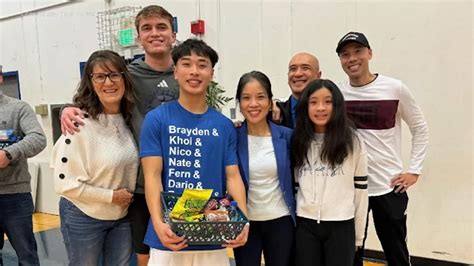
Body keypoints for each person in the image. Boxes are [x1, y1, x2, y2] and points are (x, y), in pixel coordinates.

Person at [59, 5, 179, 265]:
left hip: (181, 183)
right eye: (147, 28)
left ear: (174, 34)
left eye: (161, 27)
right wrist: (68, 110)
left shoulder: (187, 73)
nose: (155, 33)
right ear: (138, 37)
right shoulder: (128, 75)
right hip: (138, 189)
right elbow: (98, 92)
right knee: (142, 258)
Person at [140, 38, 249, 266]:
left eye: (202, 65)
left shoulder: (223, 125)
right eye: (186, 64)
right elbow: (152, 176)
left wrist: (243, 221)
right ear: (175, 71)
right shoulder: (156, 119)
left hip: (213, 235)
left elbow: (233, 176)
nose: (194, 71)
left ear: (211, 74)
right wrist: (159, 223)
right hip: (169, 236)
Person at [335, 31, 429, 266]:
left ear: (370, 53)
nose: (352, 58)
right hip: (352, 188)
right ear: (340, 61)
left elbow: (420, 128)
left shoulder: (395, 88)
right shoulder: (337, 94)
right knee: (351, 253)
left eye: (358, 51)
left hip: (389, 187)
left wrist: (414, 171)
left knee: (396, 252)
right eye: (345, 54)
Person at [51, 50, 139, 265]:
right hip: (83, 215)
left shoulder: (130, 120)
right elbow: (64, 184)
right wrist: (111, 196)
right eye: (100, 76)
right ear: (90, 82)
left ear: (124, 78)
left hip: (121, 216)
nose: (108, 82)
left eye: (114, 74)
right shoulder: (79, 125)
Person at [292, 79, 368, 266]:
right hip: (306, 224)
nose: (320, 108)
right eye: (314, 102)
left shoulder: (353, 141)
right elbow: (295, 186)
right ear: (305, 106)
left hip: (341, 225)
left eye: (328, 102)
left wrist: (359, 236)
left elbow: (361, 191)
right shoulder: (299, 140)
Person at [233, 71, 295, 266]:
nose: (253, 104)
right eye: (246, 98)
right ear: (239, 103)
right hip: (245, 222)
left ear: (270, 102)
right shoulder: (232, 137)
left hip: (280, 220)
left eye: (260, 97)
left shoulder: (286, 136)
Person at [0, 64, 47, 265]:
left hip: (15, 197)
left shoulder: (18, 108)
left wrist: (9, 153)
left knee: (27, 256)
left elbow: (38, 138)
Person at [273, 52, 322, 128]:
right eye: (293, 69)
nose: (298, 74)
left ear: (318, 76)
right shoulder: (274, 113)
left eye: (305, 68)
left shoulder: (331, 112)